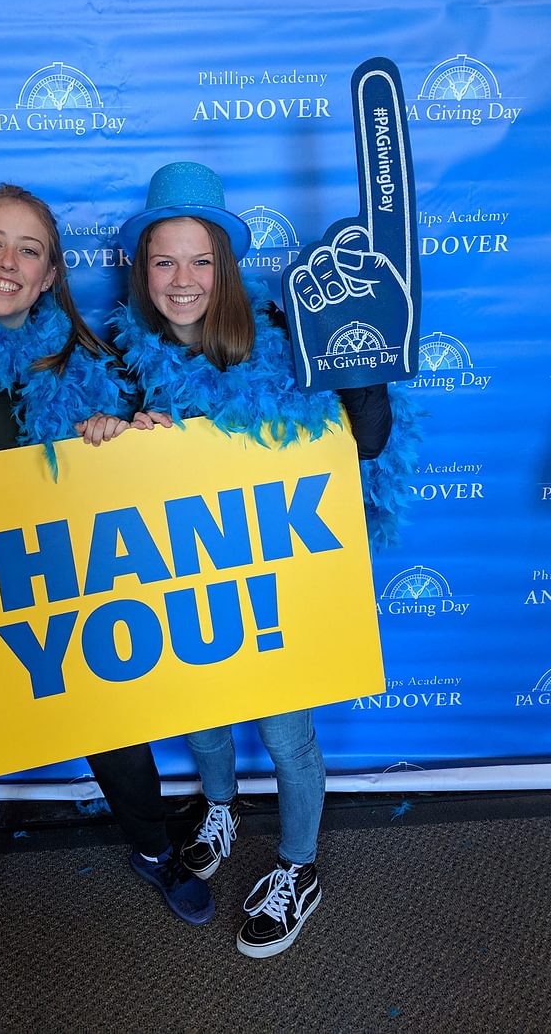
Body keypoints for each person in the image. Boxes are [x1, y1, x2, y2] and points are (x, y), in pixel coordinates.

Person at [0, 182, 214, 940]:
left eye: (29, 250)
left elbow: (145, 475)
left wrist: (129, 433)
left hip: (74, 592)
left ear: (51, 274)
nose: (8, 262)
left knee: (118, 736)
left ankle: (155, 849)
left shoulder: (90, 359)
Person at [113, 162, 419, 959]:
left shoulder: (283, 345)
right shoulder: (117, 364)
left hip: (273, 584)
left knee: (286, 738)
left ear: (226, 266)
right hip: (182, 585)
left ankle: (299, 867)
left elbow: (368, 440)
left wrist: (368, 367)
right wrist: (112, 443)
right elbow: (86, 487)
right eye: (164, 260)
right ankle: (220, 806)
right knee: (205, 717)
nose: (183, 280)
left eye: (201, 260)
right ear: (143, 270)